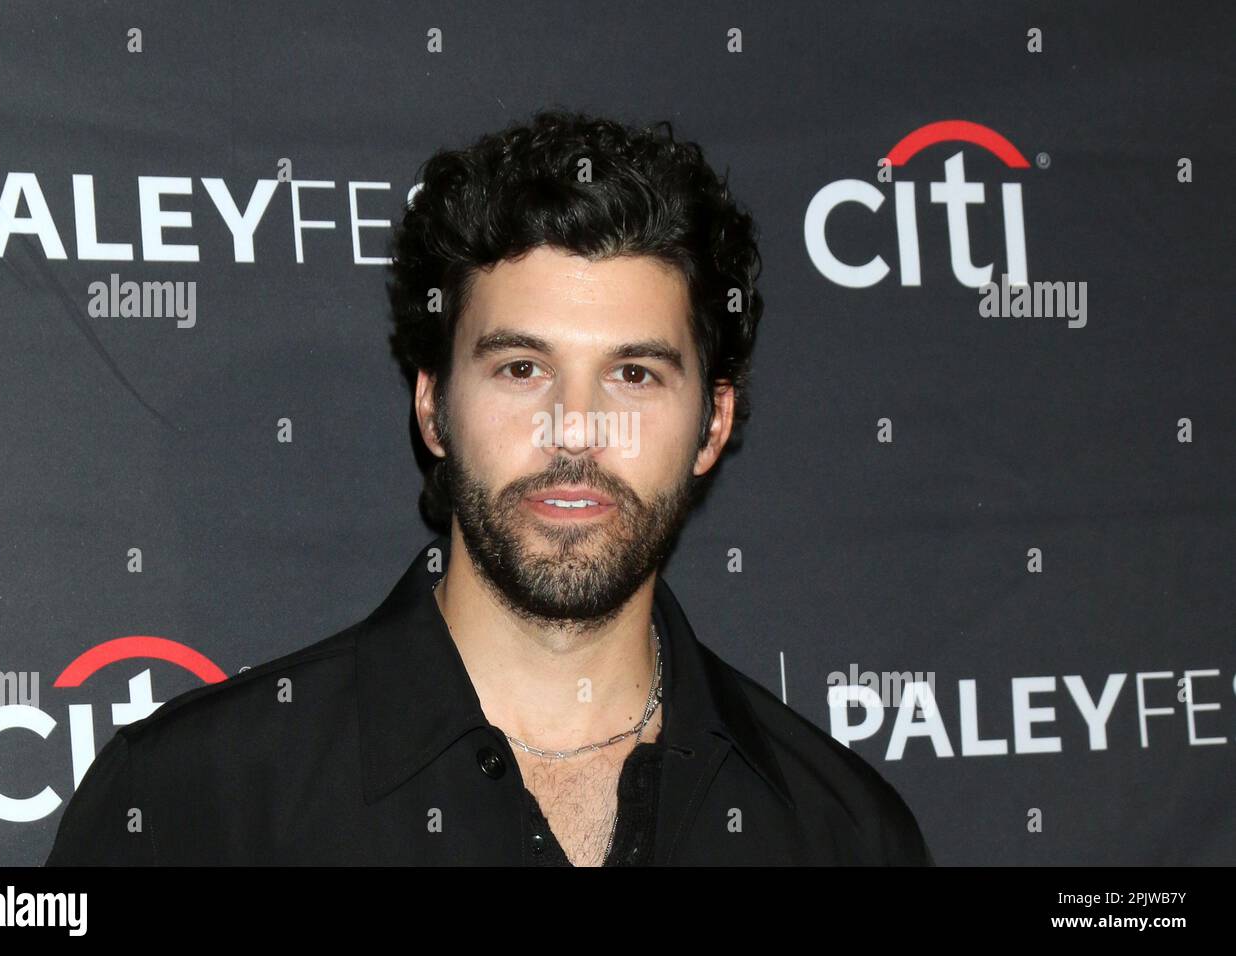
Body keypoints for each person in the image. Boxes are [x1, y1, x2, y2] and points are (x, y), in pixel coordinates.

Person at [46, 109, 934, 866]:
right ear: (434, 410)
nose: (575, 430)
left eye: (634, 375)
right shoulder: (190, 809)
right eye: (520, 368)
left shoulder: (840, 835)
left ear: (713, 425)